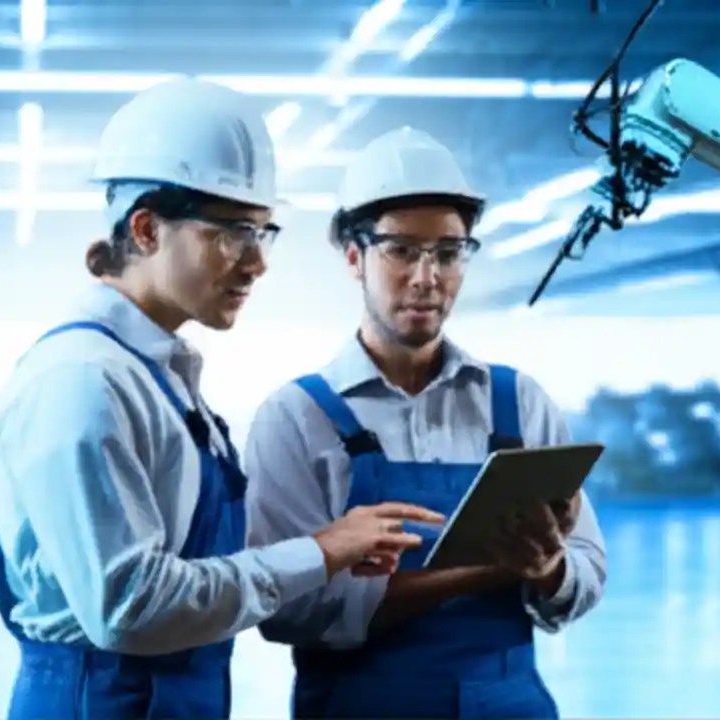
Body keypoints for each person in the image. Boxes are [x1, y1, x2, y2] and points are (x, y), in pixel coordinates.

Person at [0, 81, 444, 720]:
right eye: (231, 233)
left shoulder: (159, 375)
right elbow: (128, 606)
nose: (257, 264)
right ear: (145, 229)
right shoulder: (82, 382)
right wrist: (319, 551)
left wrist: (327, 542)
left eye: (263, 233)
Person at [243, 126, 608, 719]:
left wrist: (548, 568)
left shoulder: (520, 405)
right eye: (402, 250)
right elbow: (288, 612)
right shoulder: (297, 419)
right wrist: (486, 571)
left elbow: (586, 572)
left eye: (447, 252)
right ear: (354, 257)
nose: (426, 277)